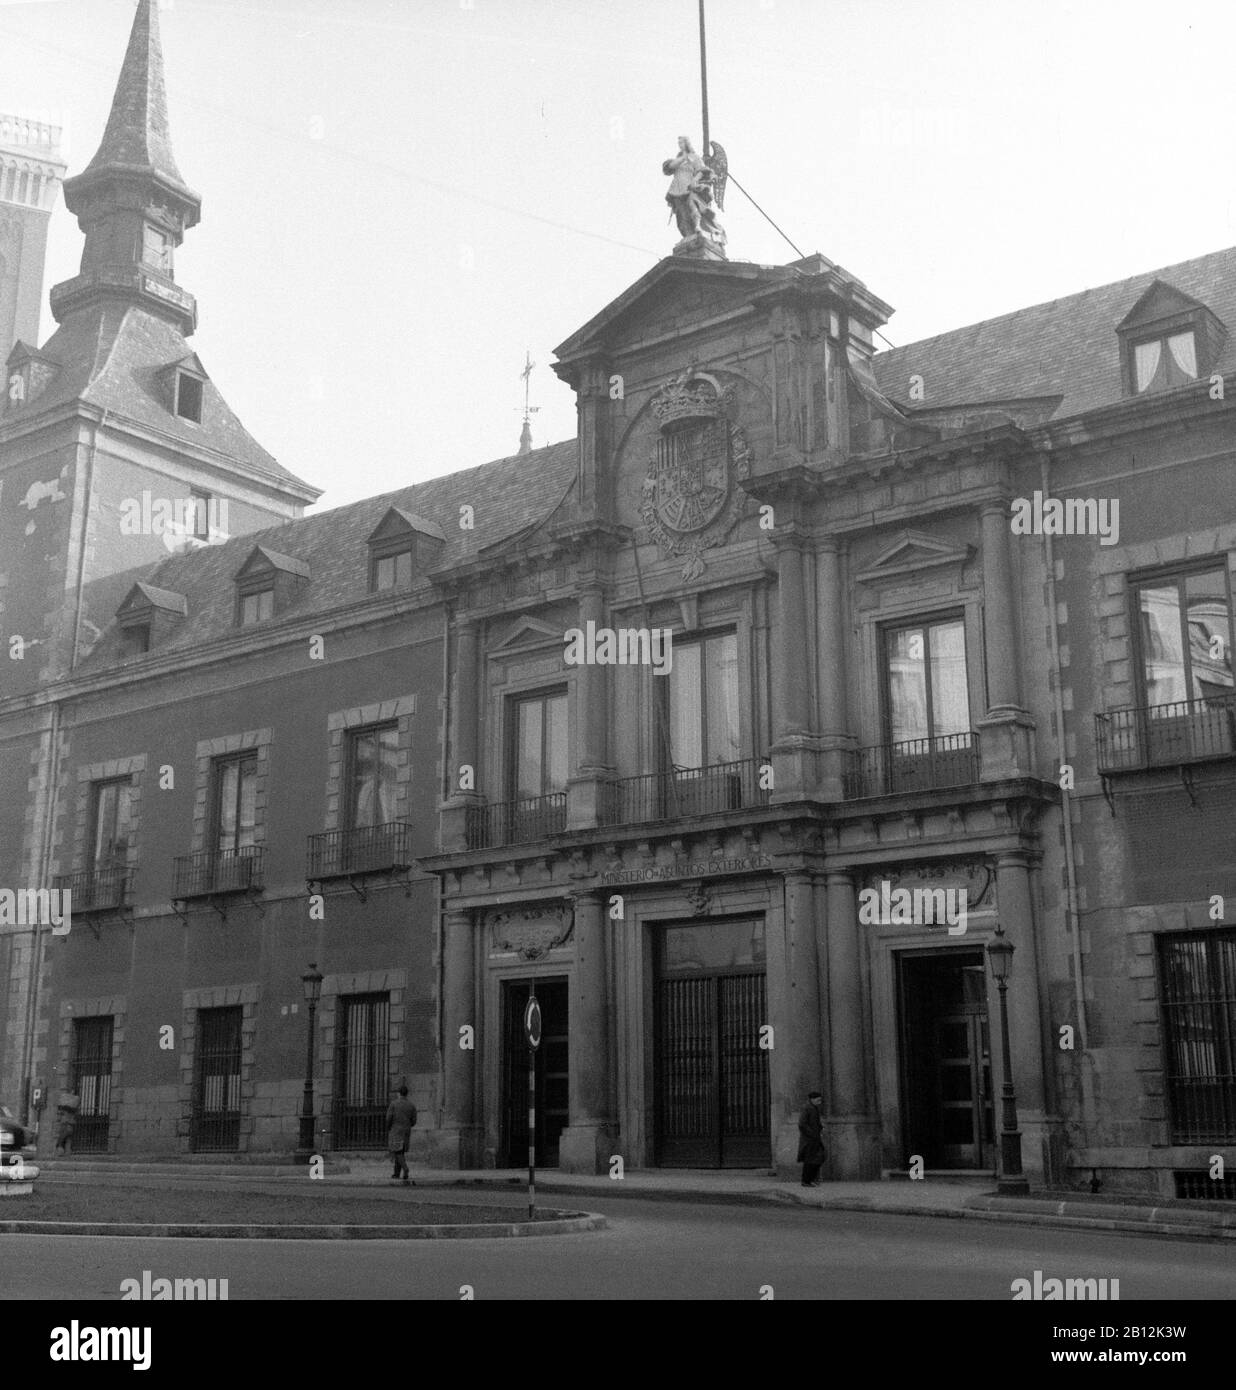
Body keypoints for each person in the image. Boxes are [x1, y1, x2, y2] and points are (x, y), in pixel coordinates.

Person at [385, 1084, 417, 1186]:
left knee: (396, 1151)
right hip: (406, 1131)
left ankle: (405, 1169)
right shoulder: (411, 1105)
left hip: (396, 1130)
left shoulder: (394, 1104)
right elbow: (414, 1121)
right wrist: (408, 1125)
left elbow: (389, 1118)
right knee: (400, 1151)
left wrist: (388, 1127)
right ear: (406, 1094)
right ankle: (396, 1173)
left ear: (398, 1093)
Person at [797, 1090, 826, 1187]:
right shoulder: (807, 1108)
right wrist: (812, 1134)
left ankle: (810, 1179)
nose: (820, 1102)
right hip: (809, 1140)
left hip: (814, 1138)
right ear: (812, 1099)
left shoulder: (813, 1108)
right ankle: (806, 1181)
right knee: (810, 1160)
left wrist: (820, 1128)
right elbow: (802, 1124)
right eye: (818, 1100)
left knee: (818, 1158)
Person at [54, 1088, 81, 1157]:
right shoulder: (73, 1109)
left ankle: (60, 1152)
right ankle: (67, 1153)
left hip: (65, 1125)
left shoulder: (63, 1110)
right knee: (68, 1140)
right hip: (71, 1126)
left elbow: (59, 1117)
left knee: (61, 1140)